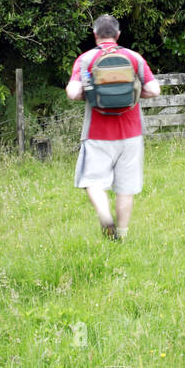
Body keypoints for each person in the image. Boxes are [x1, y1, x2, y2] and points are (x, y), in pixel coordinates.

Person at [66, 15, 160, 240]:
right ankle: (123, 235)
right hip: (131, 133)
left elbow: (72, 92)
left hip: (97, 134)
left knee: (92, 181)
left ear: (95, 35)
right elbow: (154, 90)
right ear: (118, 35)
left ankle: (105, 217)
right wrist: (135, 94)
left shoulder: (86, 59)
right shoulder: (133, 57)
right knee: (125, 187)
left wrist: (90, 93)